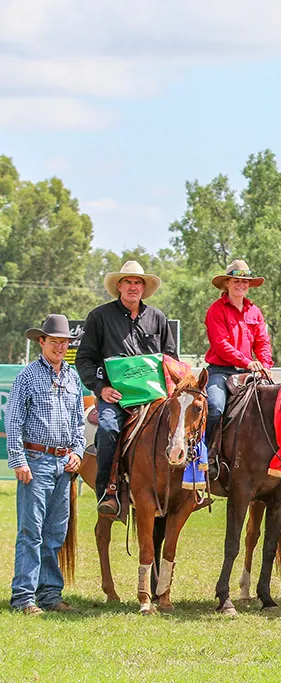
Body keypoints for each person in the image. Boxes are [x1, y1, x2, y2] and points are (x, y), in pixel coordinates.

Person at [76, 261, 177, 516]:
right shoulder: (99, 317)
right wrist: (101, 389)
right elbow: (84, 359)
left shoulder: (158, 318)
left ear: (144, 288)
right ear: (119, 286)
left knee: (184, 425)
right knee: (109, 429)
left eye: (138, 282)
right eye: (128, 282)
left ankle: (188, 486)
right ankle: (108, 492)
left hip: (155, 398)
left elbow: (171, 358)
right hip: (116, 397)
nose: (133, 287)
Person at [6, 315, 86, 614]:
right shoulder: (27, 376)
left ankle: (50, 595)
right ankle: (23, 597)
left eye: (64, 342)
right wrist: (18, 459)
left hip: (65, 462)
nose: (59, 346)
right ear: (42, 342)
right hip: (36, 460)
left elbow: (79, 421)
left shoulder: (72, 377)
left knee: (55, 533)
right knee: (31, 531)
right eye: (54, 341)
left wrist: (78, 451)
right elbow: (13, 420)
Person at [204, 259, 274, 448]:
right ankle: (206, 454)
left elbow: (262, 342)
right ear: (227, 283)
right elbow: (220, 345)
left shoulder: (255, 311)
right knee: (215, 407)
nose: (241, 285)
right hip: (220, 371)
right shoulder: (216, 310)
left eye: (245, 281)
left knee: (273, 407)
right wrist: (248, 362)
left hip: (249, 374)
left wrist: (265, 366)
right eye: (236, 281)